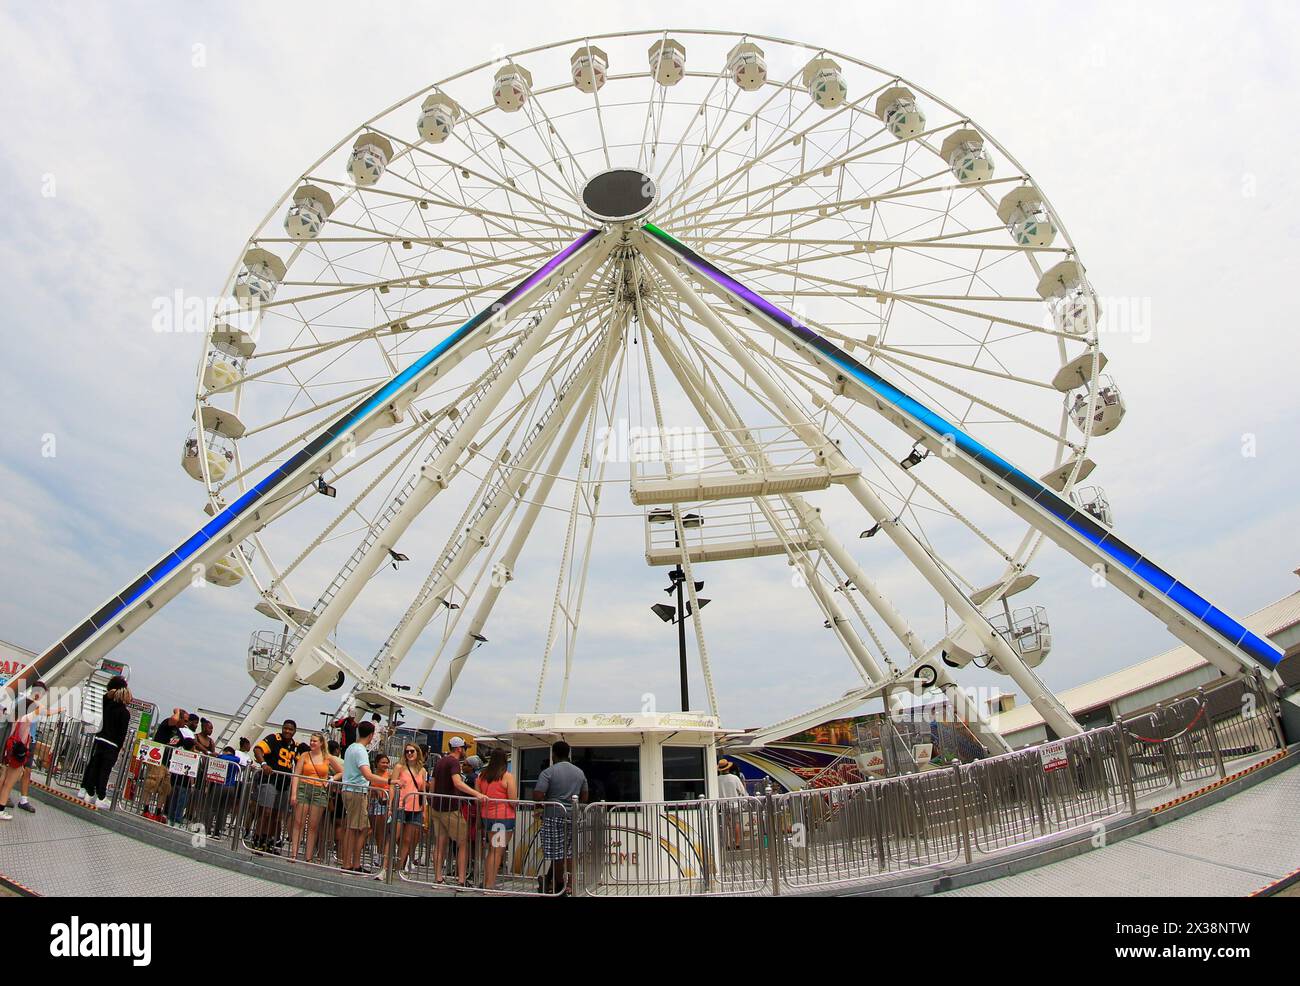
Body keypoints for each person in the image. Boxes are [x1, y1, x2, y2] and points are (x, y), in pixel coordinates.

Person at [429, 737, 489, 886]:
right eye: (464, 748)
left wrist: (431, 802)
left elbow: (432, 784)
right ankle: (462, 880)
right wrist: (478, 794)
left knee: (440, 843)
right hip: (451, 808)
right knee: (463, 842)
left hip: (437, 807)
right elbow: (457, 783)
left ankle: (438, 878)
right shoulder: (454, 762)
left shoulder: (440, 761)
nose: (465, 752)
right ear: (459, 749)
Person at [532, 740, 587, 894]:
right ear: (568, 753)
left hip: (553, 815)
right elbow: (584, 795)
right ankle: (569, 884)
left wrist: (546, 800)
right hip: (572, 816)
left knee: (556, 854)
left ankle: (559, 885)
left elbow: (538, 795)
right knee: (569, 852)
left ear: (553, 754)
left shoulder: (548, 772)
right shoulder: (579, 772)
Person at [77, 675, 132, 808]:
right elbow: (122, 734)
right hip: (112, 744)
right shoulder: (125, 713)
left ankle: (88, 792)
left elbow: (104, 698)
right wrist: (119, 749)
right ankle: (101, 797)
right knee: (105, 771)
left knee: (95, 767)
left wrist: (110, 694)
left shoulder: (108, 706)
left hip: (100, 739)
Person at [339, 720, 384, 874]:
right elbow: (367, 773)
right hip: (356, 792)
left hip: (350, 790)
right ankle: (348, 863)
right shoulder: (361, 751)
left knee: (359, 828)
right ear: (371, 735)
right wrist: (389, 781)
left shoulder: (351, 747)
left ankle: (352, 862)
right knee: (356, 828)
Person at [288, 732, 340, 863]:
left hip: (319, 790)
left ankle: (309, 856)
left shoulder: (327, 757)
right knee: (298, 822)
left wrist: (332, 779)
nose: (312, 743)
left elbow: (341, 771)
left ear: (321, 743)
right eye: (311, 740)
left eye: (315, 741)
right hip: (304, 788)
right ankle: (294, 853)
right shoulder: (305, 755)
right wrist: (294, 794)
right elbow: (297, 774)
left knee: (313, 825)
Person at [0, 681, 49, 820]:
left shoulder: (19, 710)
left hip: (15, 745)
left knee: (8, 776)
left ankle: (14, 801)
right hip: (18, 748)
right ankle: (2, 805)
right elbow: (42, 709)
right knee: (9, 781)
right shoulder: (27, 709)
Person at [251, 720, 298, 852]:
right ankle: (257, 838)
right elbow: (258, 749)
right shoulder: (273, 738)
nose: (287, 731)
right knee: (266, 811)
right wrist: (264, 764)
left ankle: (268, 840)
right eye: (285, 728)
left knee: (277, 815)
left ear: (294, 731)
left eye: (290, 729)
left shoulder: (294, 745)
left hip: (284, 783)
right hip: (270, 780)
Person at [476, 749, 517, 891]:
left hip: (487, 816)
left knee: (492, 850)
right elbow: (512, 800)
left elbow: (478, 797)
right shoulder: (507, 776)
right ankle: (490, 886)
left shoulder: (481, 776)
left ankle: (488, 882)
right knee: (497, 852)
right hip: (503, 818)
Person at [141, 708, 186, 821]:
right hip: (157, 760)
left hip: (167, 763)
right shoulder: (168, 723)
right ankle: (146, 809)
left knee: (165, 789)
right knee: (152, 783)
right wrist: (177, 711)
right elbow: (174, 719)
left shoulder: (179, 733)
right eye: (184, 720)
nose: (186, 723)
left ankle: (158, 812)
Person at [391, 742, 427, 875]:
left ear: (418, 753)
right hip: (400, 805)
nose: (409, 754)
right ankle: (388, 864)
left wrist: (424, 810)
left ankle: (399, 867)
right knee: (395, 836)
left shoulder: (422, 770)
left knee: (407, 839)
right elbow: (392, 786)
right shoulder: (399, 767)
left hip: (415, 808)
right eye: (407, 751)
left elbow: (422, 791)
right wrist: (391, 804)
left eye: (412, 751)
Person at [206, 745, 242, 839]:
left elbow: (220, 757)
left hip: (219, 784)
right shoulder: (236, 760)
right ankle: (217, 833)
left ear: (226, 751)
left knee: (213, 808)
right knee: (223, 810)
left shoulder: (221, 757)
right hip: (231, 787)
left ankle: (208, 830)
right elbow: (238, 759)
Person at [367, 753, 392, 878]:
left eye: (387, 762)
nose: (385, 765)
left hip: (384, 805)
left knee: (383, 832)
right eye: (383, 762)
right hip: (373, 804)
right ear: (377, 763)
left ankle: (382, 855)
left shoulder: (390, 775)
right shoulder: (372, 775)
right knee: (376, 831)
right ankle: (379, 854)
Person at [716, 758, 747, 849]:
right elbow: (742, 791)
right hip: (735, 804)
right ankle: (737, 843)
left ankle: (728, 844)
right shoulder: (735, 778)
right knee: (736, 823)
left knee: (725, 825)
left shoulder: (717, 779)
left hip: (723, 805)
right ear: (728, 768)